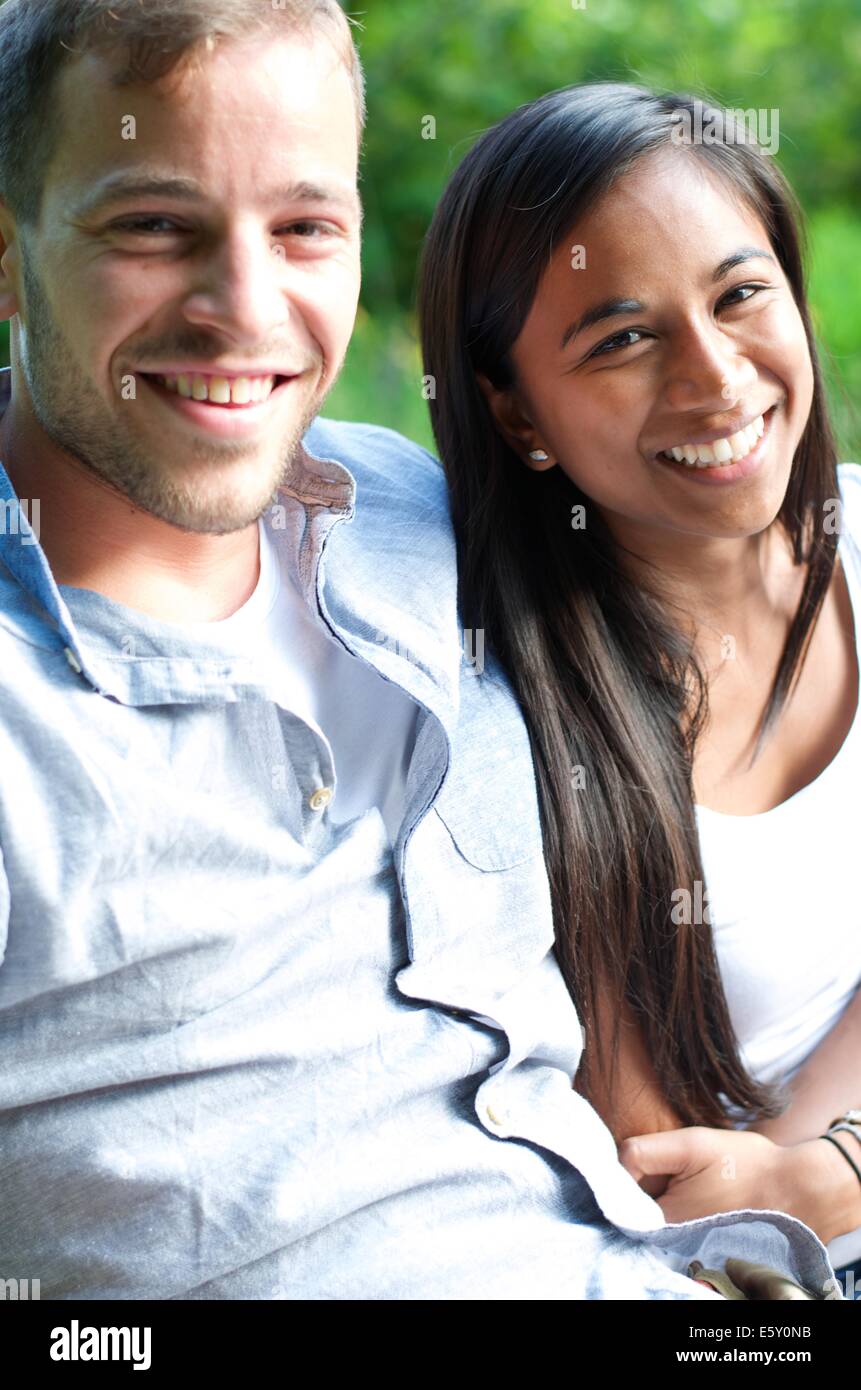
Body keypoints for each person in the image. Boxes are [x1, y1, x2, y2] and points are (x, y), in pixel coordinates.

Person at [0, 0, 840, 1301]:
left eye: (303, 228)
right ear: (8, 255)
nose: (243, 306)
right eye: (153, 227)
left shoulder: (405, 514)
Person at [417, 79, 861, 1293]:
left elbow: (805, 1188)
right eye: (622, 338)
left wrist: (833, 1167)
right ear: (517, 413)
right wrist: (801, 1195)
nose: (715, 378)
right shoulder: (516, 713)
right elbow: (672, 1182)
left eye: (739, 294)